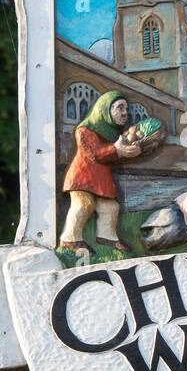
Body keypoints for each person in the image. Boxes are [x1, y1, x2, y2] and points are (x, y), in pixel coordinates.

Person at [59, 90, 141, 255]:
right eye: (120, 108)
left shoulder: (111, 132)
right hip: (82, 177)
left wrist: (126, 151)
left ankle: (107, 237)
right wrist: (117, 150)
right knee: (83, 204)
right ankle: (70, 238)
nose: (125, 112)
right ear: (105, 109)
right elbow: (95, 153)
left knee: (110, 207)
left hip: (100, 178)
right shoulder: (84, 130)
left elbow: (111, 154)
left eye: (126, 108)